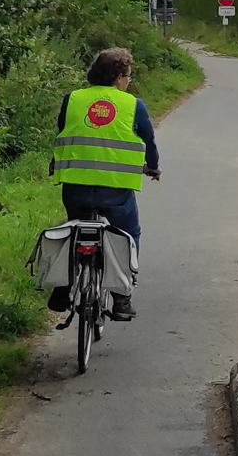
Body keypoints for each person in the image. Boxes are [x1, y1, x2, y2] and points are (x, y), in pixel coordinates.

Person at [50, 46, 161, 320]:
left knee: (73, 229)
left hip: (76, 187)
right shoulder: (133, 104)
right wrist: (154, 167)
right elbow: (149, 142)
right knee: (127, 235)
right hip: (116, 190)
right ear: (120, 77)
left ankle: (63, 287)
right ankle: (122, 298)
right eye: (128, 77)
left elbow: (63, 131)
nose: (128, 82)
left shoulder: (72, 99)